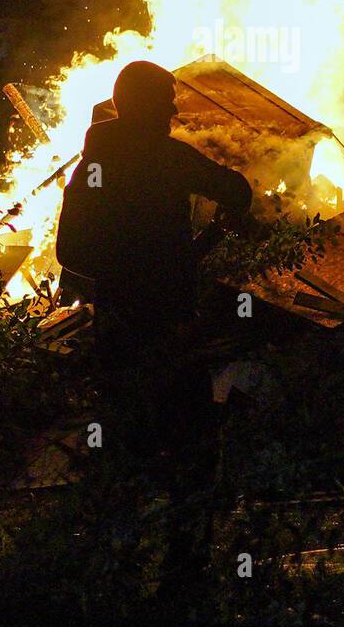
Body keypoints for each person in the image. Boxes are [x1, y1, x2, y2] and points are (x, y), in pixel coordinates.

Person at [56, 60, 252, 592]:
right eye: (165, 97)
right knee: (190, 451)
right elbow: (234, 189)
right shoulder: (164, 157)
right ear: (139, 102)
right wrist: (170, 260)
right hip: (165, 332)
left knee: (124, 452)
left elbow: (69, 250)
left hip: (119, 331)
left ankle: (113, 570)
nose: (174, 106)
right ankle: (181, 571)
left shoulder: (95, 164)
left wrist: (124, 273)